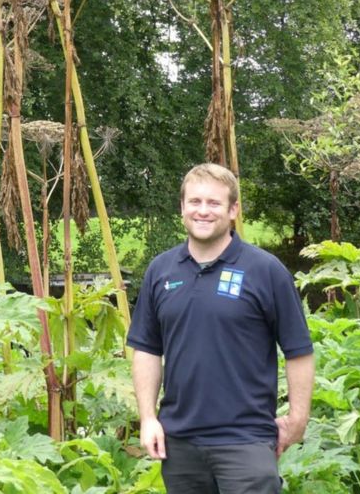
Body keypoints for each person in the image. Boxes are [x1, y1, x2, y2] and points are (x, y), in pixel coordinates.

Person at [127, 163, 314, 494]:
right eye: (194, 202)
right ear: (182, 207)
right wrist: (148, 418)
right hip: (180, 443)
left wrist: (297, 420)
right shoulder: (161, 270)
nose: (203, 211)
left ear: (233, 210)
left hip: (245, 442)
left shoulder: (265, 271)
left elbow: (299, 351)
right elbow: (147, 349)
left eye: (214, 203)